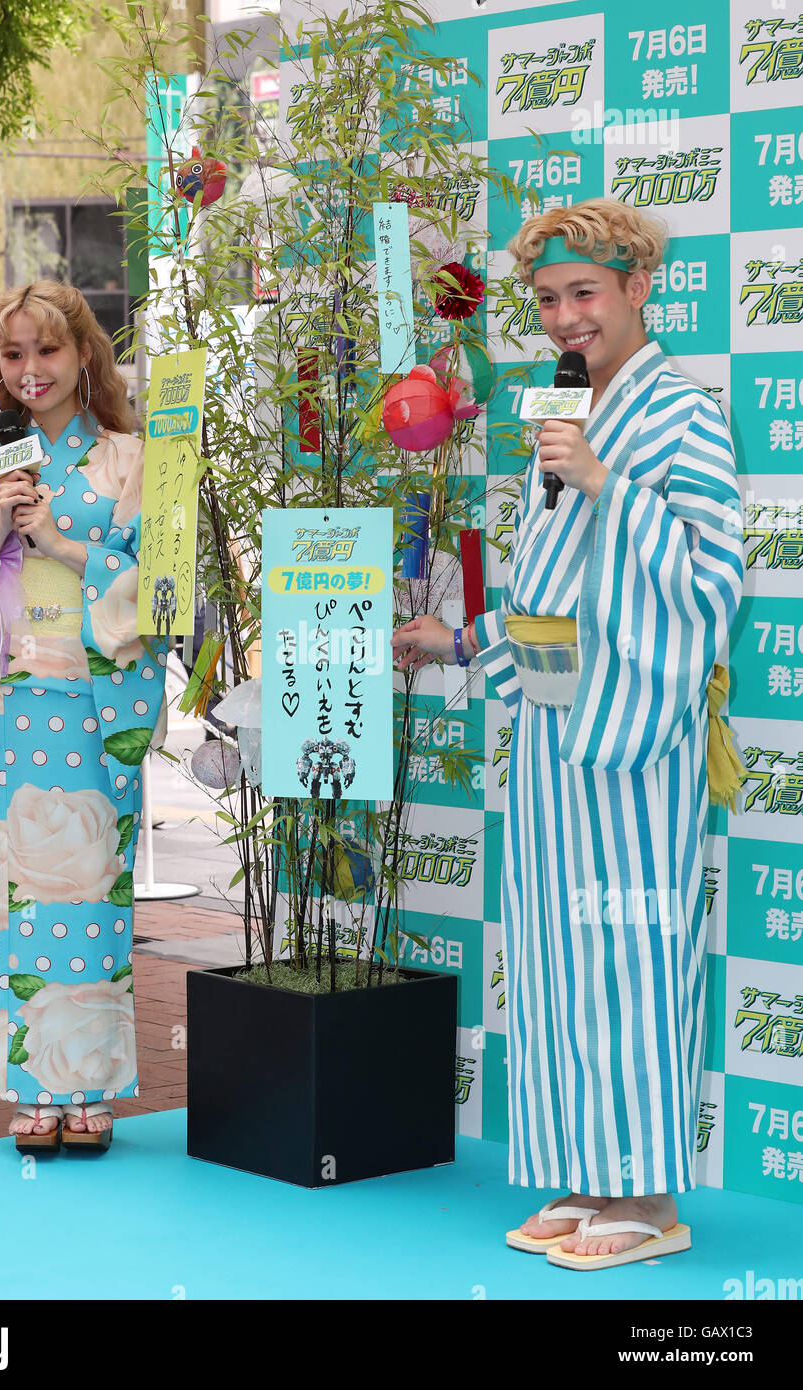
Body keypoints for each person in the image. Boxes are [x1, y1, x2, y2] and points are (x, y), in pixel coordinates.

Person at [391, 199, 745, 1269]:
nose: (563, 317)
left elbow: (711, 582)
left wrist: (604, 482)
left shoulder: (680, 414)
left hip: (633, 745)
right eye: (546, 301)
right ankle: (590, 1176)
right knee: (559, 962)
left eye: (582, 293)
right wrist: (455, 641)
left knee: (632, 952)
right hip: (555, 743)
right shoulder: (570, 409)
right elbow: (558, 591)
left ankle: (649, 1202)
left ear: (638, 290)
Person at [0, 280, 169, 1152]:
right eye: (12, 354)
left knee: (86, 888)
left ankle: (85, 1086)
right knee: (2, 892)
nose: (31, 370)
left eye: (47, 351)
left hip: (88, 703)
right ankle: (28, 1084)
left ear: (84, 355)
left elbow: (163, 592)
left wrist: (61, 545)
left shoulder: (132, 461)